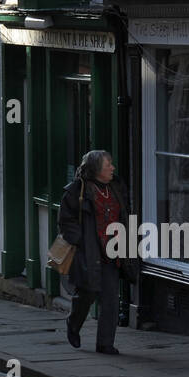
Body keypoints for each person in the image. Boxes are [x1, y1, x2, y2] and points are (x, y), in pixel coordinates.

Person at [58, 149, 133, 355]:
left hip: (112, 251)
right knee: (87, 294)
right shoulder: (76, 191)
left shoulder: (117, 186)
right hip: (89, 251)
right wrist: (80, 240)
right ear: (96, 168)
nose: (112, 168)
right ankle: (73, 324)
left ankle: (105, 344)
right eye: (108, 164)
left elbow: (125, 212)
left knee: (110, 298)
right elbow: (65, 220)